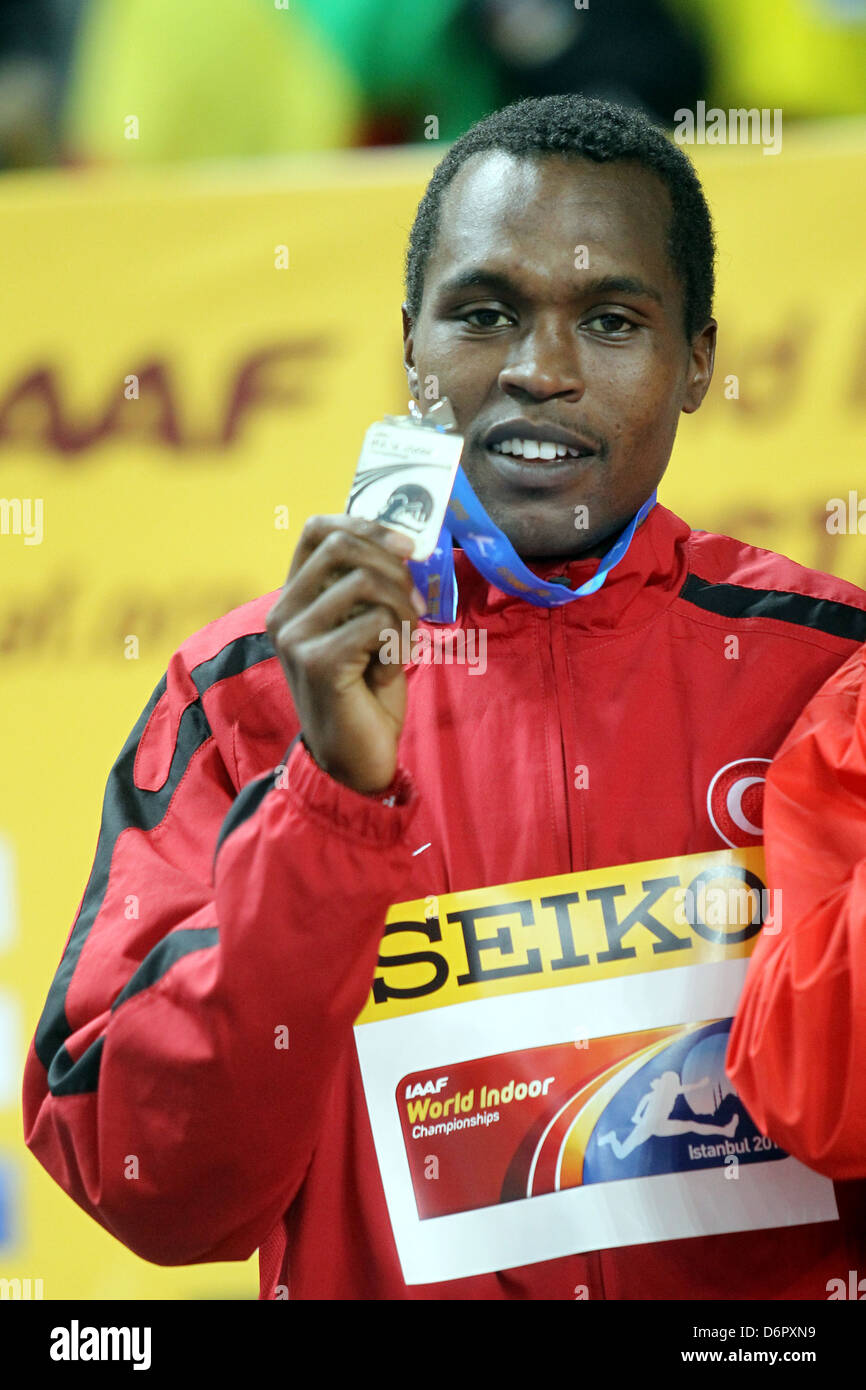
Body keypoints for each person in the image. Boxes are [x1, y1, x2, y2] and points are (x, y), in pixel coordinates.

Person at [22, 94, 866, 1300]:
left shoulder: (827, 673)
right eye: (483, 314)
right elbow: (151, 1183)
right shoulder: (250, 692)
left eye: (613, 320)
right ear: (411, 351)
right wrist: (327, 802)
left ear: (695, 363)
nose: (541, 371)